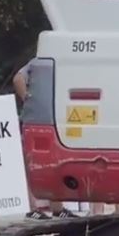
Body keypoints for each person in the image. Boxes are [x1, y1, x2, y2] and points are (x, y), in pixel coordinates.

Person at [13, 58, 74, 219]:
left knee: (38, 163)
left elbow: (18, 78)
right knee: (51, 164)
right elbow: (18, 79)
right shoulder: (60, 61)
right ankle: (46, 208)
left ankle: (43, 208)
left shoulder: (38, 62)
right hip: (53, 121)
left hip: (38, 119)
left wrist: (27, 98)